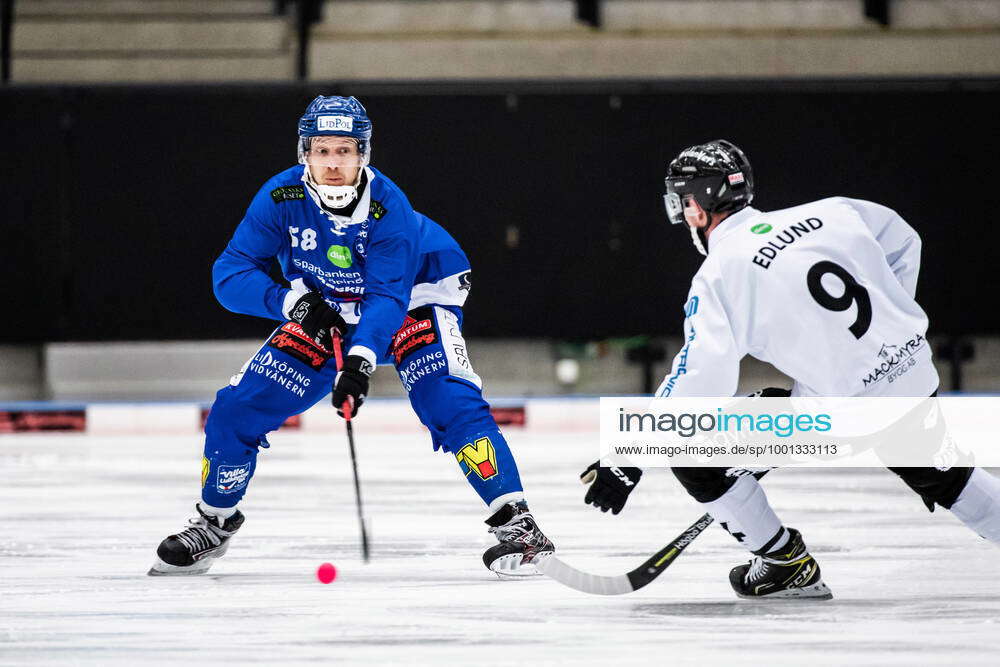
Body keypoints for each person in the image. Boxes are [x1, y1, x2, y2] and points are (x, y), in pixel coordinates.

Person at [149, 95, 553, 577]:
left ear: (364, 154)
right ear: (305, 153)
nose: (334, 164)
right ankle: (213, 523)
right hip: (324, 301)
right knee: (237, 406)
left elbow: (388, 297)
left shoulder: (389, 206)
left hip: (416, 293)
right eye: (323, 150)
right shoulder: (279, 196)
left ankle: (517, 523)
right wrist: (292, 304)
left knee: (446, 399)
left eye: (345, 151)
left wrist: (359, 364)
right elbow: (229, 274)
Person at [580, 139, 1000, 599]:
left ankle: (784, 563)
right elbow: (903, 242)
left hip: (835, 419)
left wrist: (631, 452)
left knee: (692, 449)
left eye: (681, 204)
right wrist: (887, 331)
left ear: (697, 207)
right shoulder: (834, 212)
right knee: (948, 478)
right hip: (912, 380)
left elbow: (700, 382)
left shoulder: (720, 274)